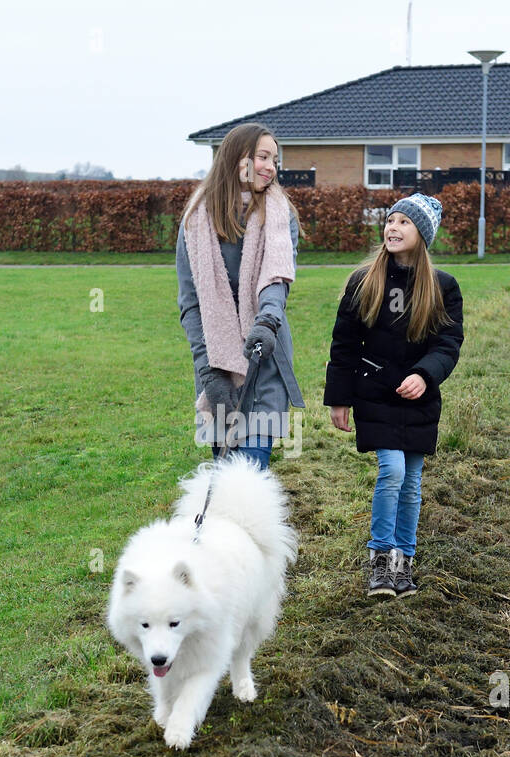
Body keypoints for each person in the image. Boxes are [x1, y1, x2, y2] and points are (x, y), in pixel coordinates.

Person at [323, 194, 464, 598]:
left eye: (405, 222)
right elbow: (344, 344)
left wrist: (426, 375)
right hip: (375, 392)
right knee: (393, 472)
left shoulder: (443, 287)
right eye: (391, 220)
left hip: (418, 399)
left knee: (413, 480)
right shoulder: (363, 281)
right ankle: (380, 559)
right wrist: (339, 398)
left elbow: (449, 342)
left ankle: (404, 561)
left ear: (423, 235)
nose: (393, 227)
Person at [176, 123, 305, 472]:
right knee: (224, 473)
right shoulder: (194, 223)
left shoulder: (280, 216)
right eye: (263, 157)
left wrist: (267, 321)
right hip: (218, 363)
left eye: (275, 160)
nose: (271, 167)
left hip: (265, 356)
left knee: (250, 470)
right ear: (237, 159)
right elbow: (190, 305)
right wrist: (210, 374)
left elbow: (277, 281)